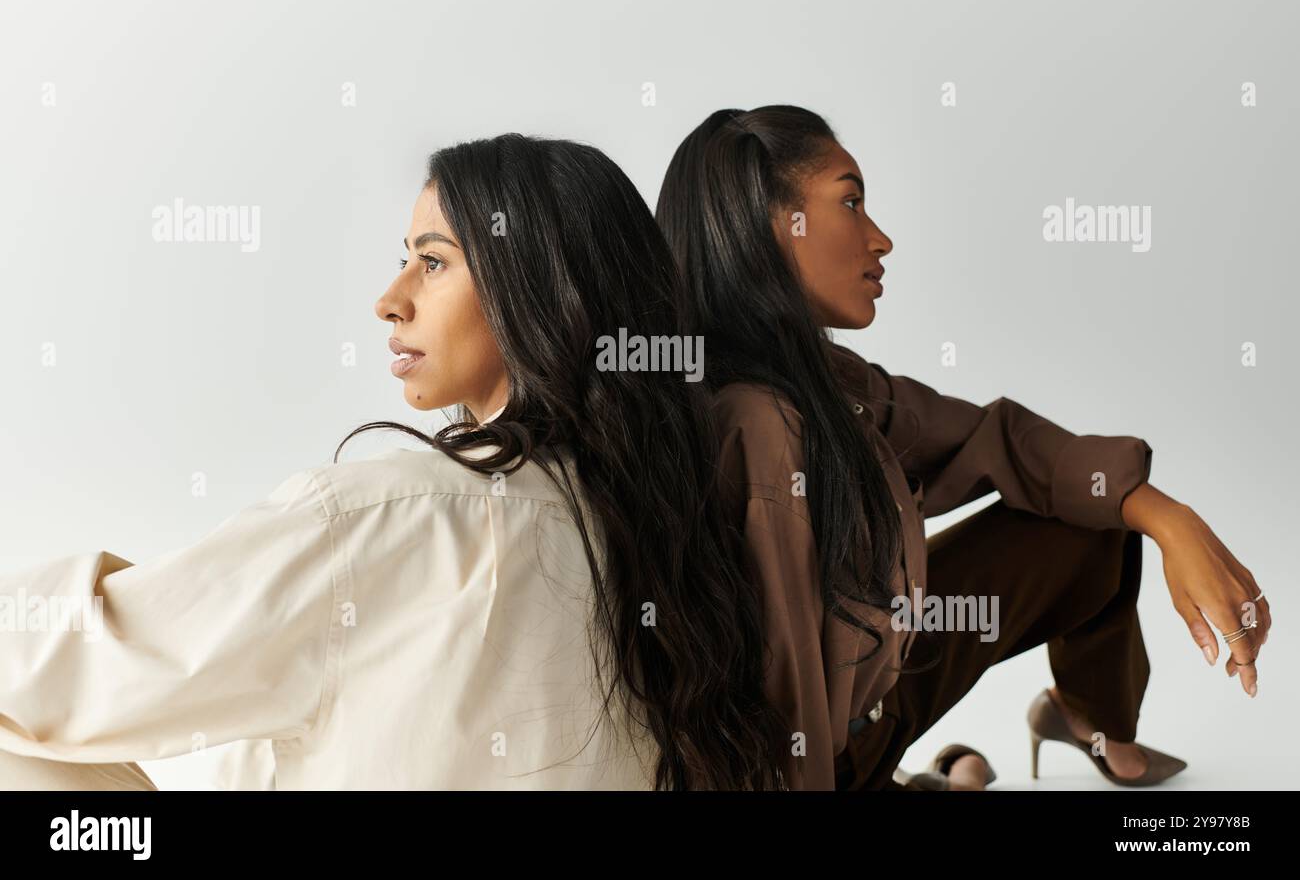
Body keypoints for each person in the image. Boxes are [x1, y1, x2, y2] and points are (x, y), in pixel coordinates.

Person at [0, 134, 788, 790]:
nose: (390, 298)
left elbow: (76, 662)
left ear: (541, 288)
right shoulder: (666, 549)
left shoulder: (390, 517)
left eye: (433, 262)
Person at [655, 104, 1270, 790]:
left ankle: (1087, 720)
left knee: (1092, 507)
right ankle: (943, 777)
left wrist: (1171, 521)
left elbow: (992, 439)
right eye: (851, 203)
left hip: (870, 698)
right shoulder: (756, 425)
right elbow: (779, 714)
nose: (880, 239)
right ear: (768, 226)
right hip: (810, 768)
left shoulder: (825, 382)